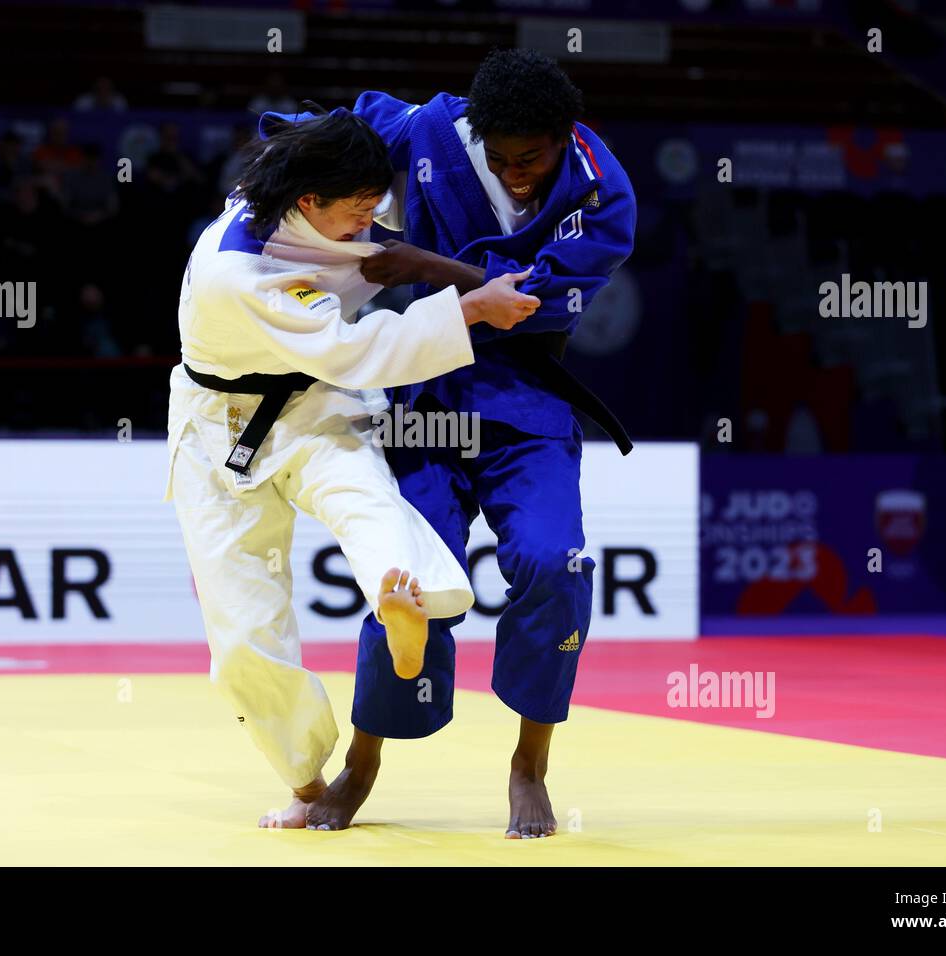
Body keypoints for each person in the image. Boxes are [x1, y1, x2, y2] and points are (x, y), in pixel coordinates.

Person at [260, 49, 638, 836]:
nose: (513, 173)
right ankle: (362, 764)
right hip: (425, 390)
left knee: (553, 562)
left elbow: (519, 303)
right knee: (405, 577)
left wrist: (413, 262)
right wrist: (286, 150)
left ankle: (529, 763)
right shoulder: (434, 129)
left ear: (564, 137)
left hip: (529, 401)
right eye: (497, 158)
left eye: (529, 159)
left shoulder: (604, 193)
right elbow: (347, 134)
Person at [164, 108, 539, 828]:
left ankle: (409, 607)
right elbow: (354, 349)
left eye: (375, 202)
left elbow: (318, 144)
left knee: (368, 503)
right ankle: (306, 782)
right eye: (357, 210)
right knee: (244, 631)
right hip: (219, 428)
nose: (370, 219)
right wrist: (469, 311)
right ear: (309, 204)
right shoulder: (236, 273)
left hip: (312, 406)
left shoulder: (308, 183)